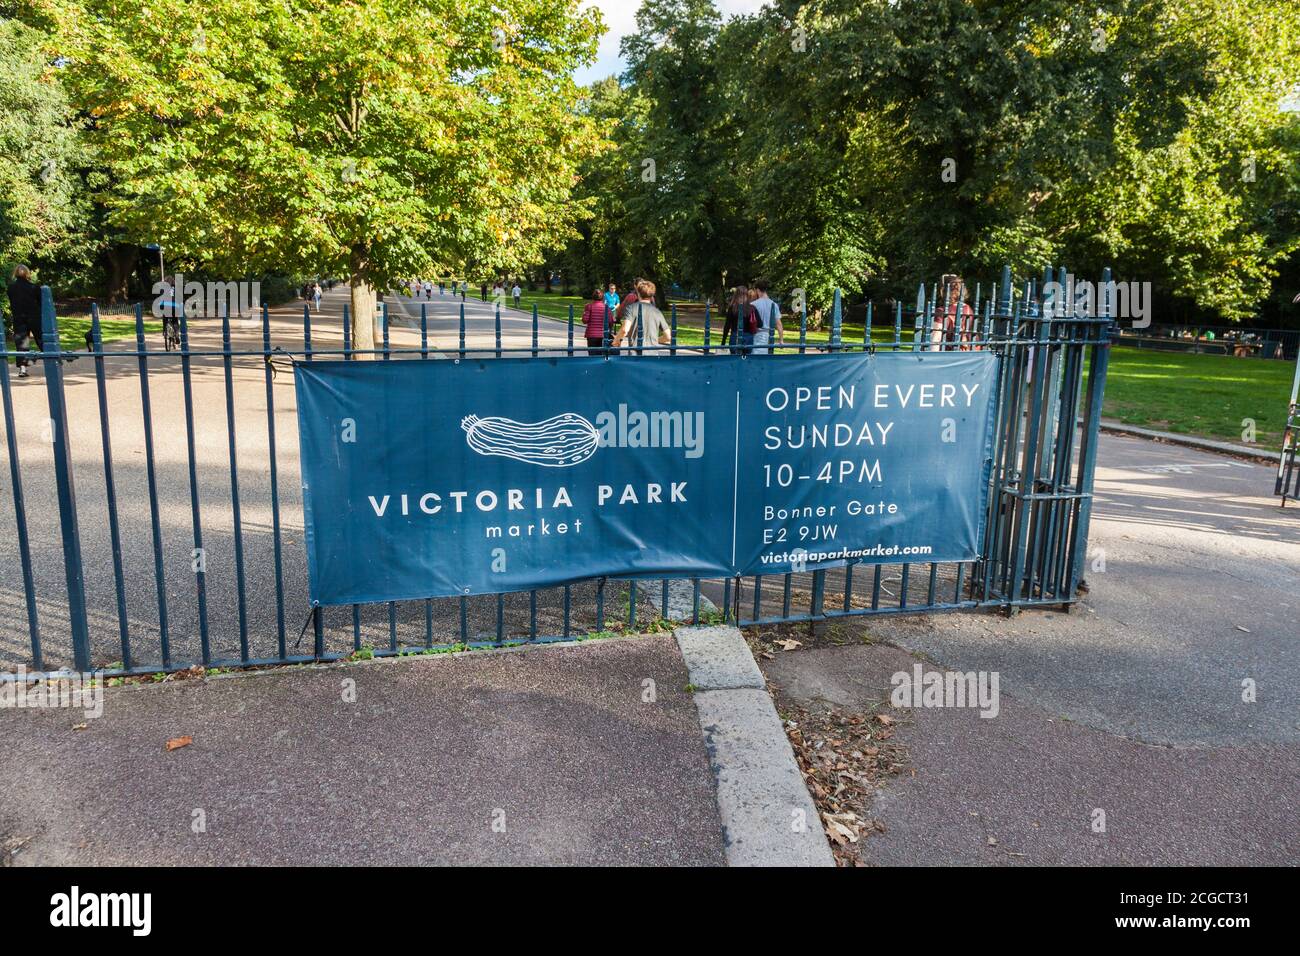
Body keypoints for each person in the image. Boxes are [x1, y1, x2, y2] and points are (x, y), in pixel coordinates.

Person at [611, 279, 671, 353]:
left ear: (638, 293)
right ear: (652, 295)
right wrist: (654, 340)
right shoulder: (657, 312)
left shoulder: (631, 308)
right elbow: (668, 337)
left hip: (635, 354)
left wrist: (617, 340)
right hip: (653, 356)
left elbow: (624, 330)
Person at [6, 265, 42, 378]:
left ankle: (22, 369)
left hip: (18, 318)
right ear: (27, 273)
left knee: (21, 343)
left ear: (15, 273)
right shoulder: (34, 287)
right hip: (34, 317)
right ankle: (53, 362)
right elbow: (40, 303)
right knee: (41, 339)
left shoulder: (11, 288)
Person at [934, 274, 973, 349]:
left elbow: (936, 339)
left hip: (947, 355)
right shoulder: (968, 309)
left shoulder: (941, 311)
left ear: (943, 290)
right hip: (966, 354)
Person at [748, 280, 784, 354]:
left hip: (756, 335)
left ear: (757, 290)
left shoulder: (753, 304)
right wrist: (781, 340)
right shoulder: (774, 305)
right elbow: (779, 324)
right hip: (769, 336)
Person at [722, 284, 750, 353]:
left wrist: (723, 340)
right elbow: (759, 323)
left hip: (735, 335)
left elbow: (727, 325)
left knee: (734, 359)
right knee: (747, 359)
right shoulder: (750, 308)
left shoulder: (732, 307)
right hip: (748, 337)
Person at [582, 288, 610, 355]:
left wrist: (584, 313)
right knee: (601, 355)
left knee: (592, 355)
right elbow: (610, 321)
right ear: (602, 297)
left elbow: (585, 320)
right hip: (603, 334)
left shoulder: (589, 306)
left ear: (593, 297)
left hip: (591, 335)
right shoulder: (606, 307)